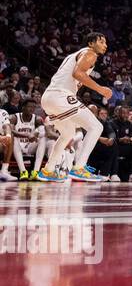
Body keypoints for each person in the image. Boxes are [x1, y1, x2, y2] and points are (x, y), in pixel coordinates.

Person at [37, 32, 112, 182]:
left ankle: (48, 170)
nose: (105, 45)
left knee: (67, 133)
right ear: (91, 43)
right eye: (102, 42)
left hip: (49, 97)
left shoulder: (75, 54)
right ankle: (79, 168)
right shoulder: (90, 53)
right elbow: (78, 73)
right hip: (60, 95)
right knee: (96, 127)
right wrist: (100, 89)